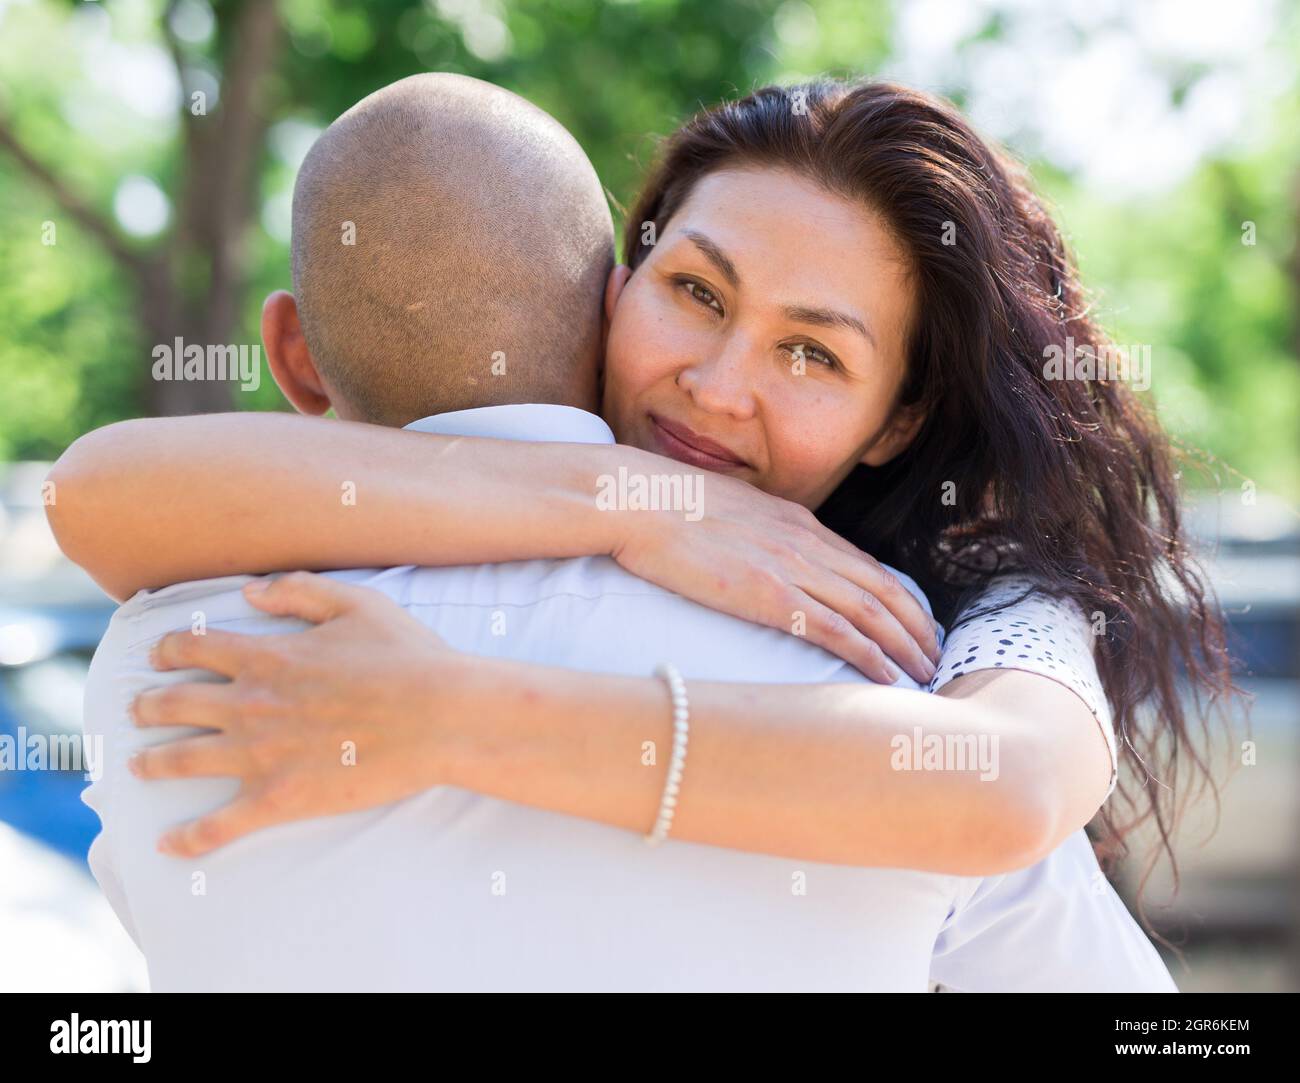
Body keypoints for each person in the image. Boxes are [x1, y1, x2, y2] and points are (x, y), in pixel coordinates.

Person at [51, 75, 1213, 988]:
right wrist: (633, 502)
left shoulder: (955, 637)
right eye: (697, 294)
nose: (714, 387)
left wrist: (448, 716)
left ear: (898, 418)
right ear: (612, 284)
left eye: (811, 353)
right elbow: (93, 489)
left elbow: (998, 790)